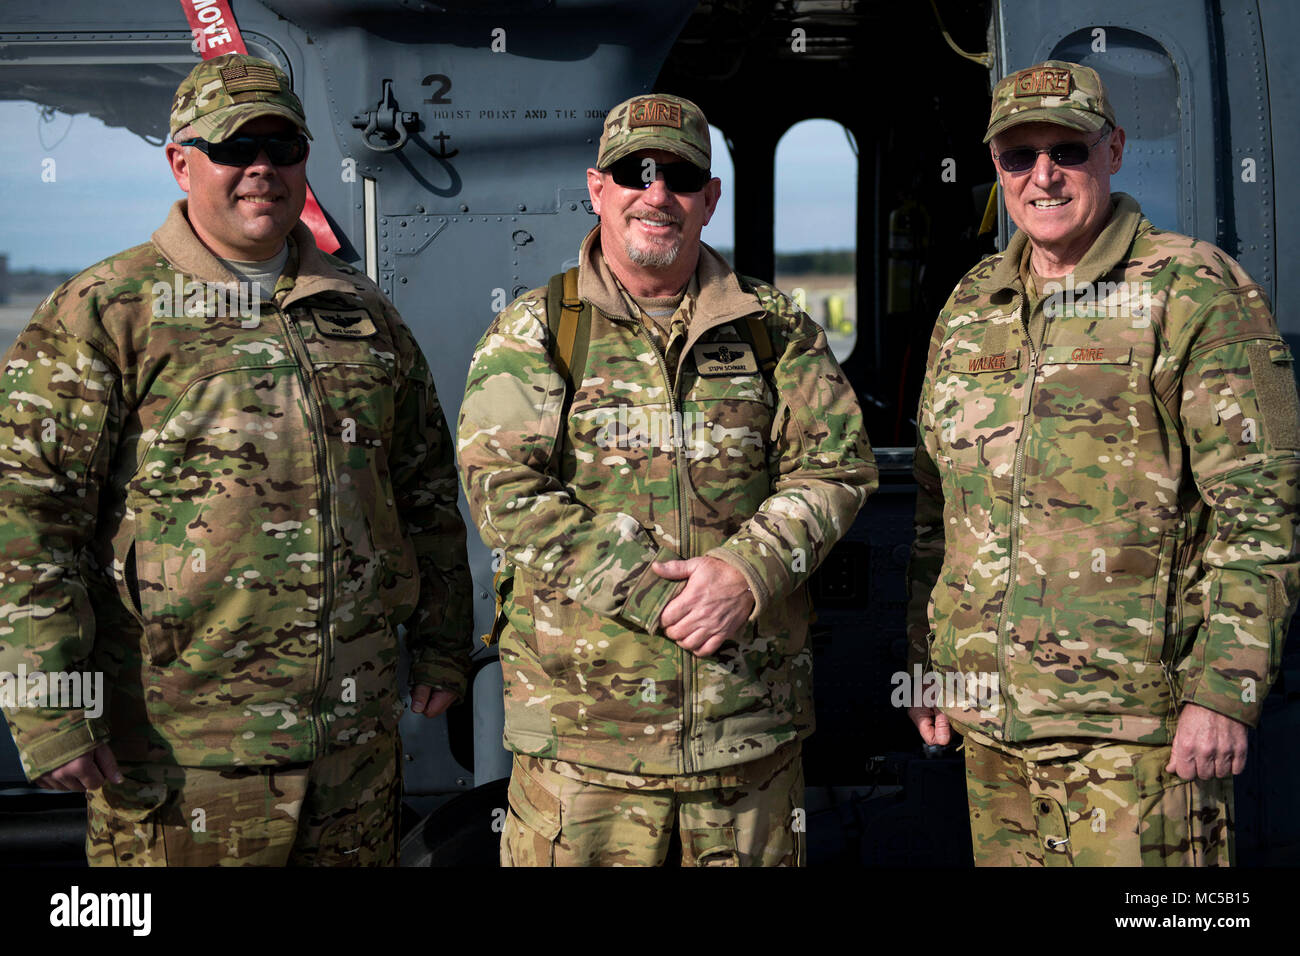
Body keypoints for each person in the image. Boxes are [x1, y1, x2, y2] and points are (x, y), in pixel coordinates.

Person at [0, 53, 472, 865]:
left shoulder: (363, 316)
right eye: (234, 149)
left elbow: (423, 490)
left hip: (351, 751)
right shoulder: (106, 310)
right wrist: (49, 711)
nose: (261, 170)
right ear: (183, 163)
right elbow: (29, 521)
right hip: (180, 757)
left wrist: (442, 644)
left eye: (282, 148)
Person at [457, 93, 876, 866]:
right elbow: (504, 491)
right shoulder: (540, 330)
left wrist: (746, 573)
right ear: (598, 188)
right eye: (634, 172)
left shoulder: (773, 330)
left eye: (681, 176)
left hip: (745, 740)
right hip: (585, 755)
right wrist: (661, 596)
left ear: (710, 198)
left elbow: (837, 466)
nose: (657, 194)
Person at [905, 59, 1300, 865]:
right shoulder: (973, 303)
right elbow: (934, 507)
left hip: (1138, 739)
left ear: (1114, 150)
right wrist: (927, 663)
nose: (1043, 176)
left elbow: (1260, 508)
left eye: (1069, 151)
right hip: (992, 727)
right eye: (1020, 156)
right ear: (997, 167)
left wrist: (1226, 691)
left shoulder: (1195, 290)